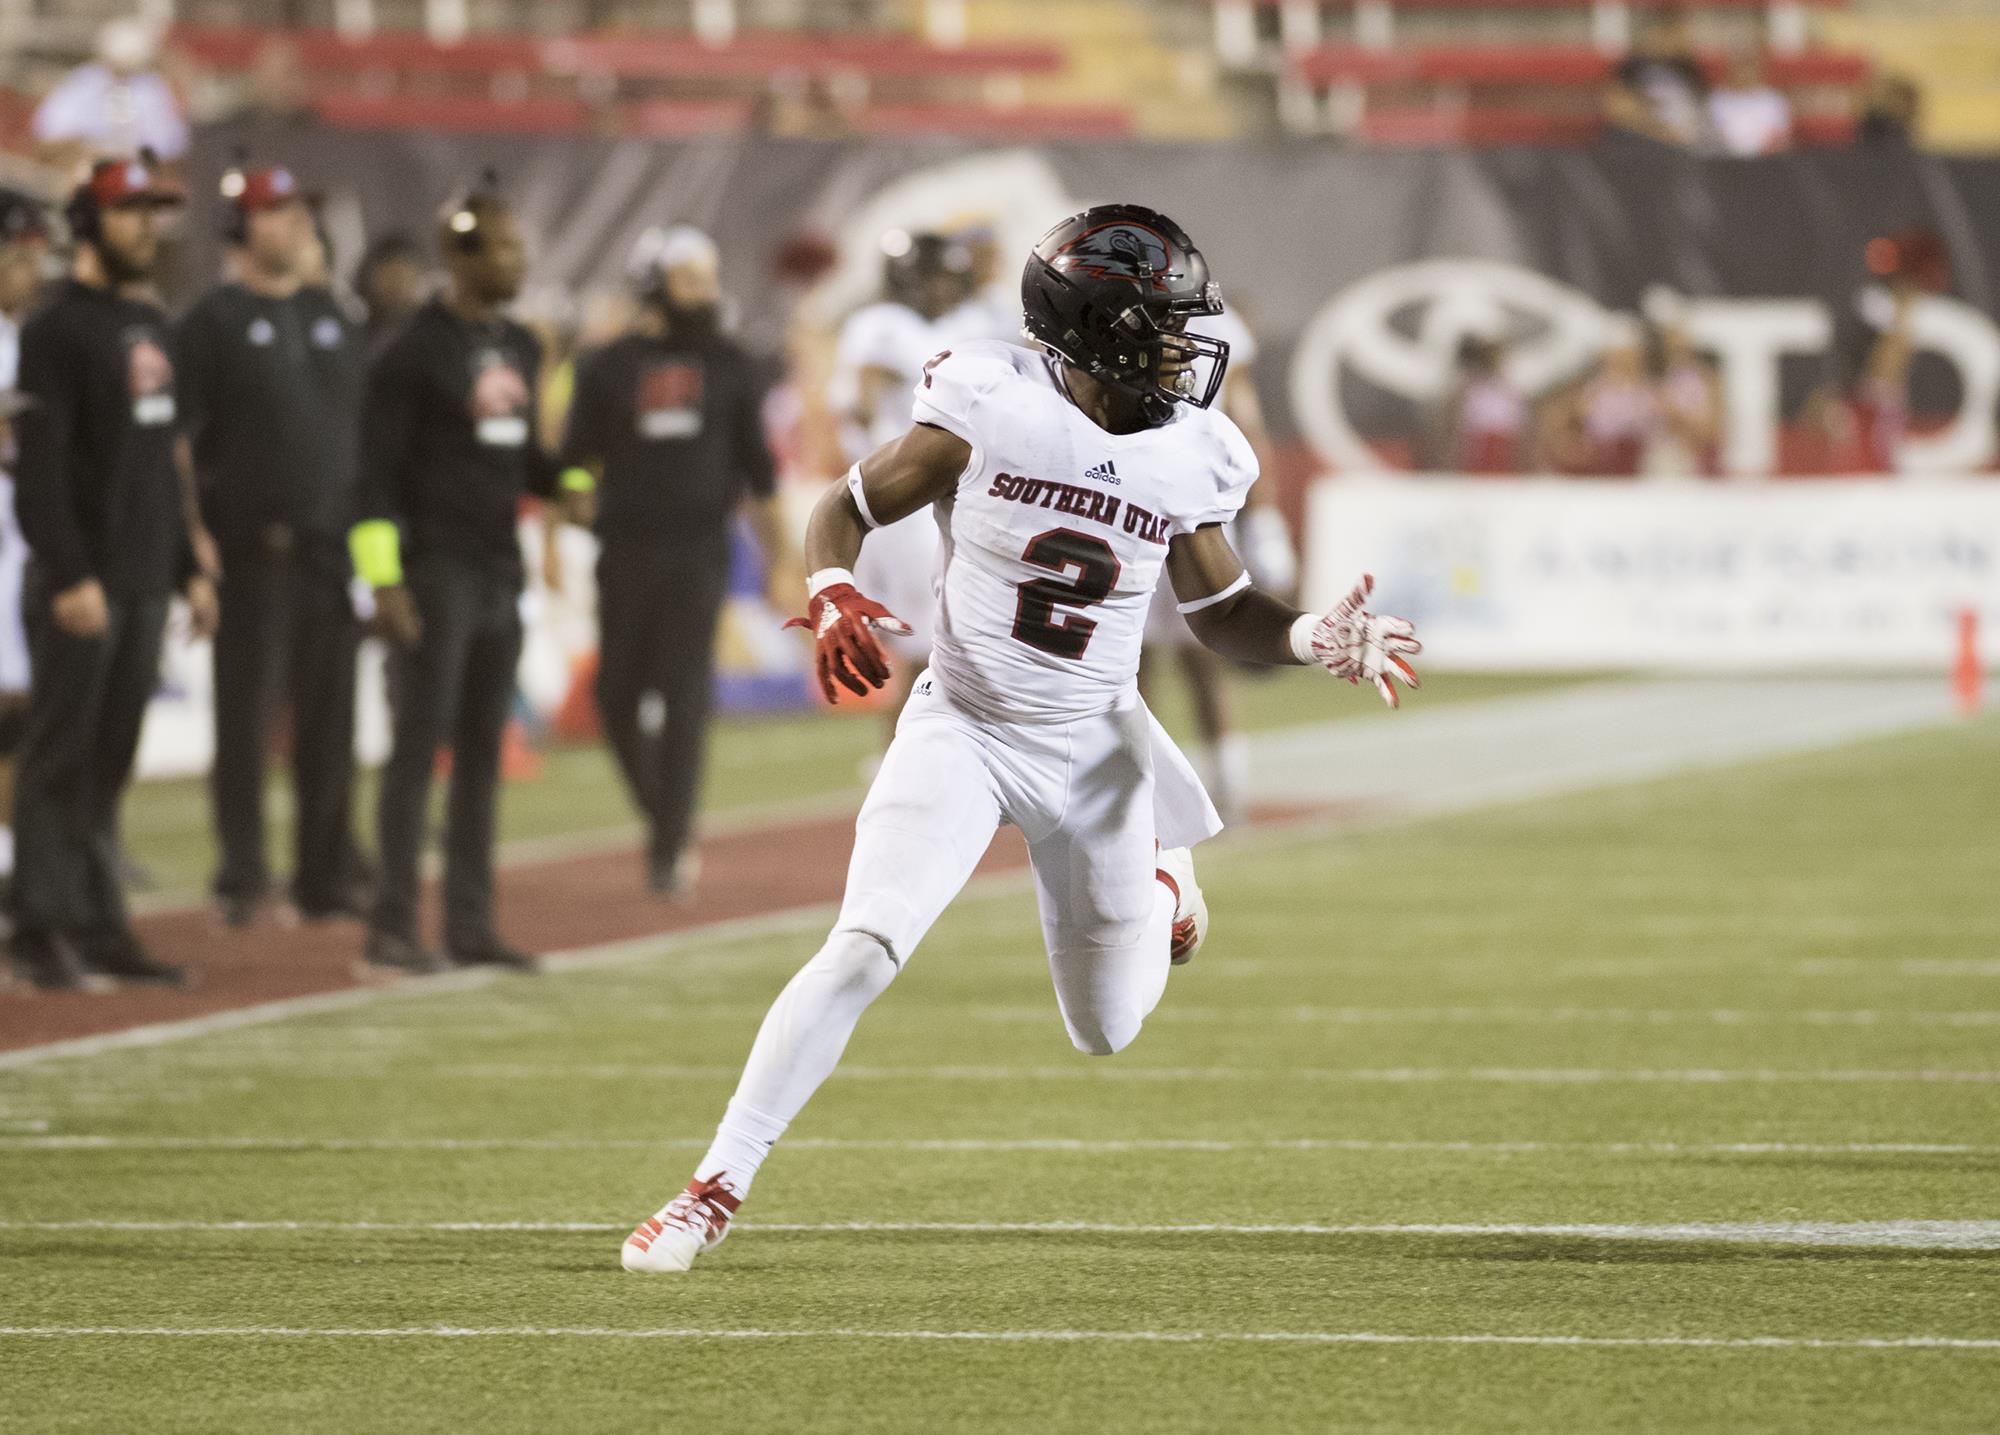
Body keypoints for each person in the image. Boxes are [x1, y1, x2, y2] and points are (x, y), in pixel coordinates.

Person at [618, 204, 1420, 1273]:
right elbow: (843, 508)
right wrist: (831, 586)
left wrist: (1312, 631)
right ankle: (712, 1187)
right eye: (1162, 325)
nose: (1185, 348)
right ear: (1097, 328)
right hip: (963, 722)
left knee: (1105, 1031)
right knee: (863, 942)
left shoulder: (1191, 452)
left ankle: (1164, 878)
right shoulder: (987, 403)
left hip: (1093, 752)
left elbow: (1219, 608)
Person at [350, 180, 576, 975]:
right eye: (504, 248)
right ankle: (391, 928)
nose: (518, 260)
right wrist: (385, 583)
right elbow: (372, 480)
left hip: (496, 570)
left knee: (482, 754)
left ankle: (471, 924)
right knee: (417, 753)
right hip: (433, 571)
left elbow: (528, 460)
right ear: (460, 255)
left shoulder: (520, 343)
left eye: (520, 246)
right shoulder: (410, 352)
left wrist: (572, 485)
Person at [6, 158, 216, 991]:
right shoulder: (56, 329)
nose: (146, 227)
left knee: (108, 759)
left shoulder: (150, 324)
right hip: (82, 582)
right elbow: (41, 468)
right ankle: (36, 928)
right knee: (58, 759)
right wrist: (67, 575)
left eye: (153, 213)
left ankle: (98, 925)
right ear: (86, 222)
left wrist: (188, 567)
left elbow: (163, 463)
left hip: (138, 577)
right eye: (130, 211)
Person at [561, 226, 790, 898]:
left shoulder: (731, 363)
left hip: (699, 550)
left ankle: (668, 845)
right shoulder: (606, 366)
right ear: (653, 281)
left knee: (684, 696)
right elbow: (575, 460)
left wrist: (780, 560)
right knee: (615, 696)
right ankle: (666, 817)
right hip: (624, 547)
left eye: (709, 276)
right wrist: (568, 508)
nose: (708, 291)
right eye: (693, 277)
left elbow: (761, 474)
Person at [176, 166, 370, 927]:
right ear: (240, 228)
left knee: (331, 725)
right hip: (250, 549)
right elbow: (180, 440)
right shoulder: (212, 321)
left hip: (330, 551)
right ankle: (243, 876)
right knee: (245, 723)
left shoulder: (332, 315)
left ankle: (325, 876)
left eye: (299, 210)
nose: (295, 223)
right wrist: (192, 539)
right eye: (276, 211)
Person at [1137, 301, 1293, 827]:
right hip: (1120, 502)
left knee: (1202, 655)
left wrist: (1264, 519)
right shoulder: (1104, 322)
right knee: (1124, 667)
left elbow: (1247, 425)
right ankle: (1136, 793)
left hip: (1189, 509)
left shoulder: (1218, 333)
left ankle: (1227, 787)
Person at [830, 230, 973, 736]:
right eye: (937, 278)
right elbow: (865, 401)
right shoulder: (883, 324)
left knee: (933, 649)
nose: (946, 288)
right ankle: (900, 764)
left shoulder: (938, 325)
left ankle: (910, 761)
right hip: (904, 508)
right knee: (929, 650)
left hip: (912, 504)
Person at [0, 188, 51, 904]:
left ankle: (15, 865)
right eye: (18, 257)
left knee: (19, 715)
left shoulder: (21, 336)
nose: (29, 272)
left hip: (18, 540)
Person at [32, 20, 190, 168]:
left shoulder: (150, 89)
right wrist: (93, 151)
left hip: (135, 175)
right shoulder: (84, 82)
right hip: (85, 169)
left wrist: (127, 153)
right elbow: (51, 130)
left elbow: (170, 143)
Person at [1605, 10, 1710, 149]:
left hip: (1693, 144)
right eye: (1675, 35)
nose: (1686, 41)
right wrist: (1662, 132)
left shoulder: (1689, 71)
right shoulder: (1633, 69)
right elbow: (1619, 107)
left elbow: (1705, 106)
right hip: (1651, 147)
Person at [1708, 53, 1792, 156]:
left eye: (1748, 69)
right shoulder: (1718, 100)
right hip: (1725, 161)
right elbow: (1711, 136)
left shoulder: (1773, 101)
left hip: (1765, 161)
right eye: (1740, 69)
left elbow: (1780, 136)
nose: (1744, 74)